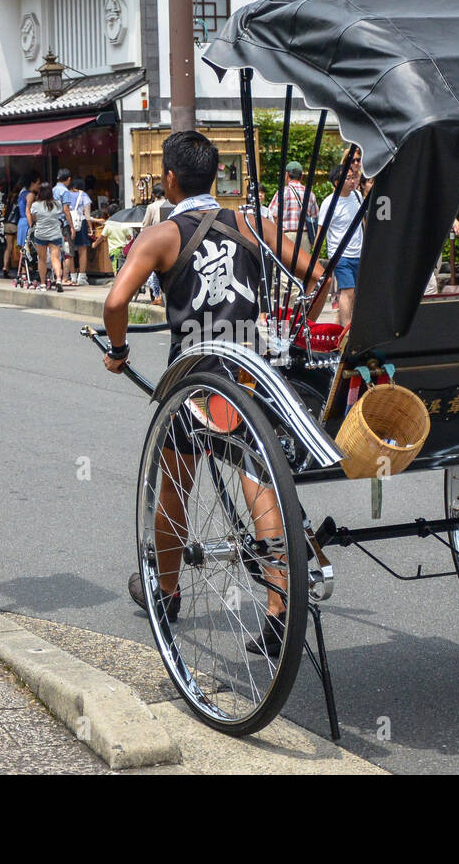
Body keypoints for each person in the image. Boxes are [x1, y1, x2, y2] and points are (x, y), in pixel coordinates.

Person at [104, 130, 326, 657]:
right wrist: (293, 331)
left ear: (171, 179)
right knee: (260, 477)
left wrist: (117, 351)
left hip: (196, 377)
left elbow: (116, 302)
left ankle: (167, 588)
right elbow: (317, 276)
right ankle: (280, 607)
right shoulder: (253, 221)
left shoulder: (161, 234)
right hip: (252, 371)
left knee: (174, 486)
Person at [319, 159, 364, 328]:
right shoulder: (329, 203)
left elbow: (363, 222)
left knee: (354, 294)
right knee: (348, 291)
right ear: (337, 182)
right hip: (340, 255)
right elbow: (321, 231)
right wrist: (315, 257)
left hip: (358, 253)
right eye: (348, 178)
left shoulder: (358, 197)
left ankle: (337, 325)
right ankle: (347, 329)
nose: (353, 181)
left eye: (354, 177)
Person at [267, 159, 318, 243]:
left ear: (286, 175)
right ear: (301, 176)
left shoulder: (282, 192)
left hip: (286, 236)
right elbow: (315, 217)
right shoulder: (310, 194)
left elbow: (272, 215)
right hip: (304, 237)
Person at [28, 182, 68, 290]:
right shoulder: (57, 204)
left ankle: (42, 283)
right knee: (55, 258)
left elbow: (34, 217)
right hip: (55, 234)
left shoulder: (36, 205)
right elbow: (60, 214)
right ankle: (59, 279)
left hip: (41, 234)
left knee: (42, 259)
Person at [67, 176, 103, 287]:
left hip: (68, 223)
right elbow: (87, 215)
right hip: (80, 223)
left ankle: (72, 276)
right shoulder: (84, 196)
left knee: (70, 251)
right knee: (82, 250)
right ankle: (81, 276)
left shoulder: (66, 194)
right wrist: (90, 228)